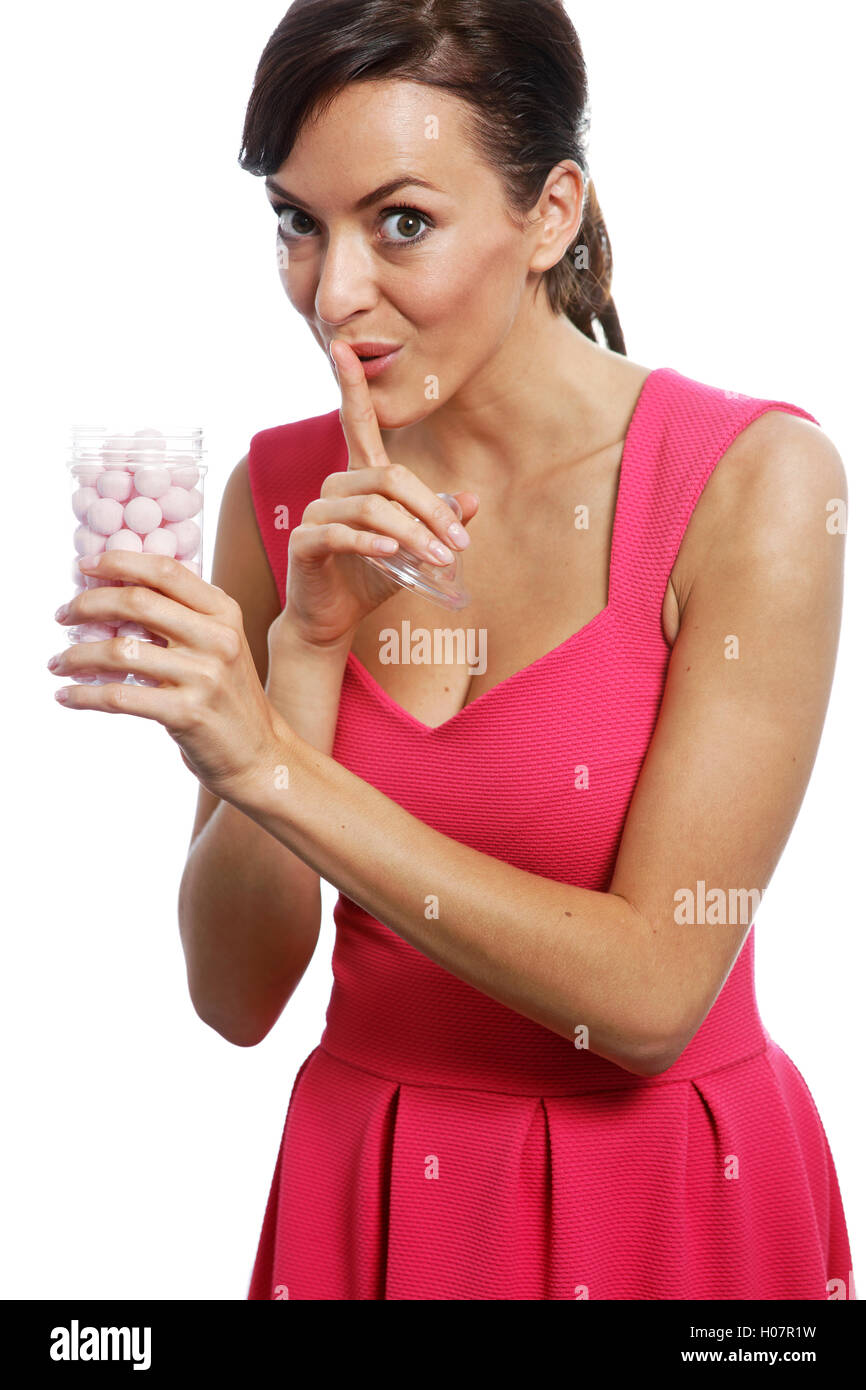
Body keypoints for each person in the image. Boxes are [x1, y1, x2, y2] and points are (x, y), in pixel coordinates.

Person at [50, 0, 854, 1300]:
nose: (335, 292)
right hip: (369, 1191)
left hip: (659, 1202)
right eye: (298, 223)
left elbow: (651, 997)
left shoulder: (750, 484)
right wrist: (303, 655)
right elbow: (235, 995)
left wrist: (276, 765)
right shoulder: (278, 494)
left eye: (400, 221)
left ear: (549, 215)